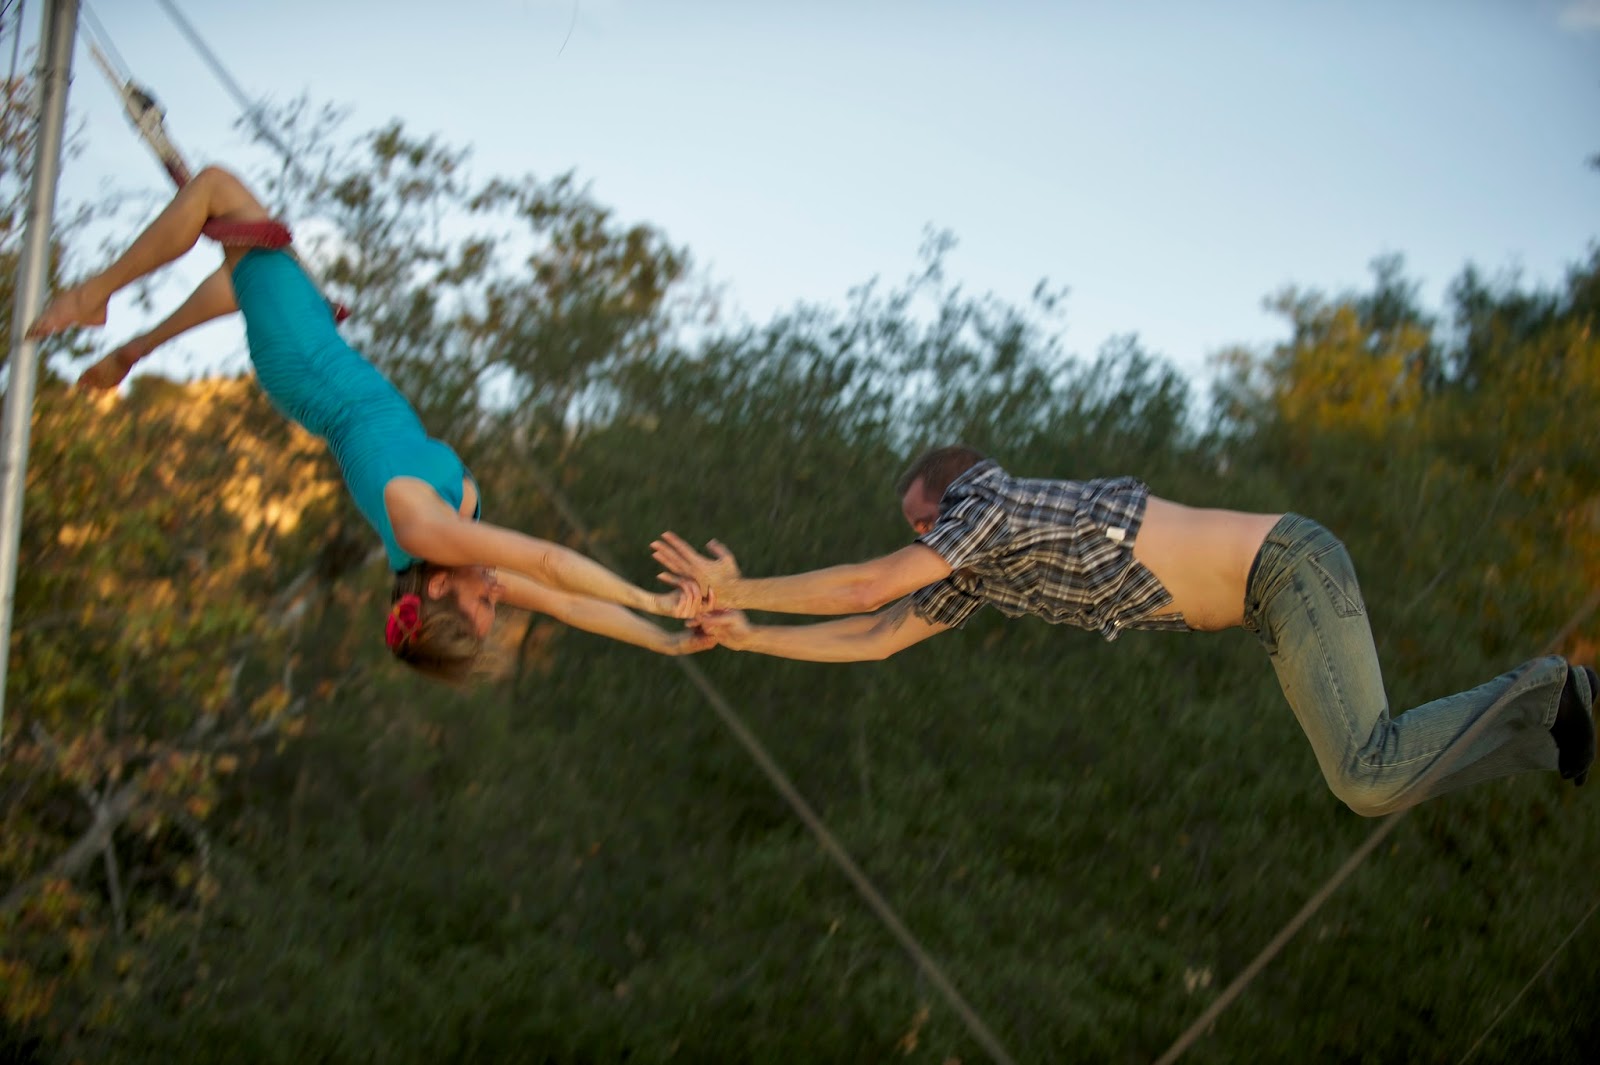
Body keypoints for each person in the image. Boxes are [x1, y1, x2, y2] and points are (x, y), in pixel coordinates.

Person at [29, 165, 710, 683]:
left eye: (482, 610)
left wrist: (651, 597)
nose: (495, 604)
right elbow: (568, 603)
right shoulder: (457, 554)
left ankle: (95, 296)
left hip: (306, 364)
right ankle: (130, 348)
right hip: (318, 353)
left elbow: (552, 560)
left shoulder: (425, 533)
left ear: (438, 587)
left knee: (213, 189)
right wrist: (669, 639)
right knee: (251, 265)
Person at [652, 445, 1598, 815]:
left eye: (920, 523)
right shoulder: (988, 565)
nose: (922, 541)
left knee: (1368, 770)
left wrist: (750, 583)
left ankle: (1556, 691)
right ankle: (1559, 724)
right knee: (1369, 784)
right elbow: (881, 634)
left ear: (949, 497)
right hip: (1272, 605)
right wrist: (748, 634)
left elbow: (870, 586)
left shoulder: (990, 503)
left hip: (1291, 565)